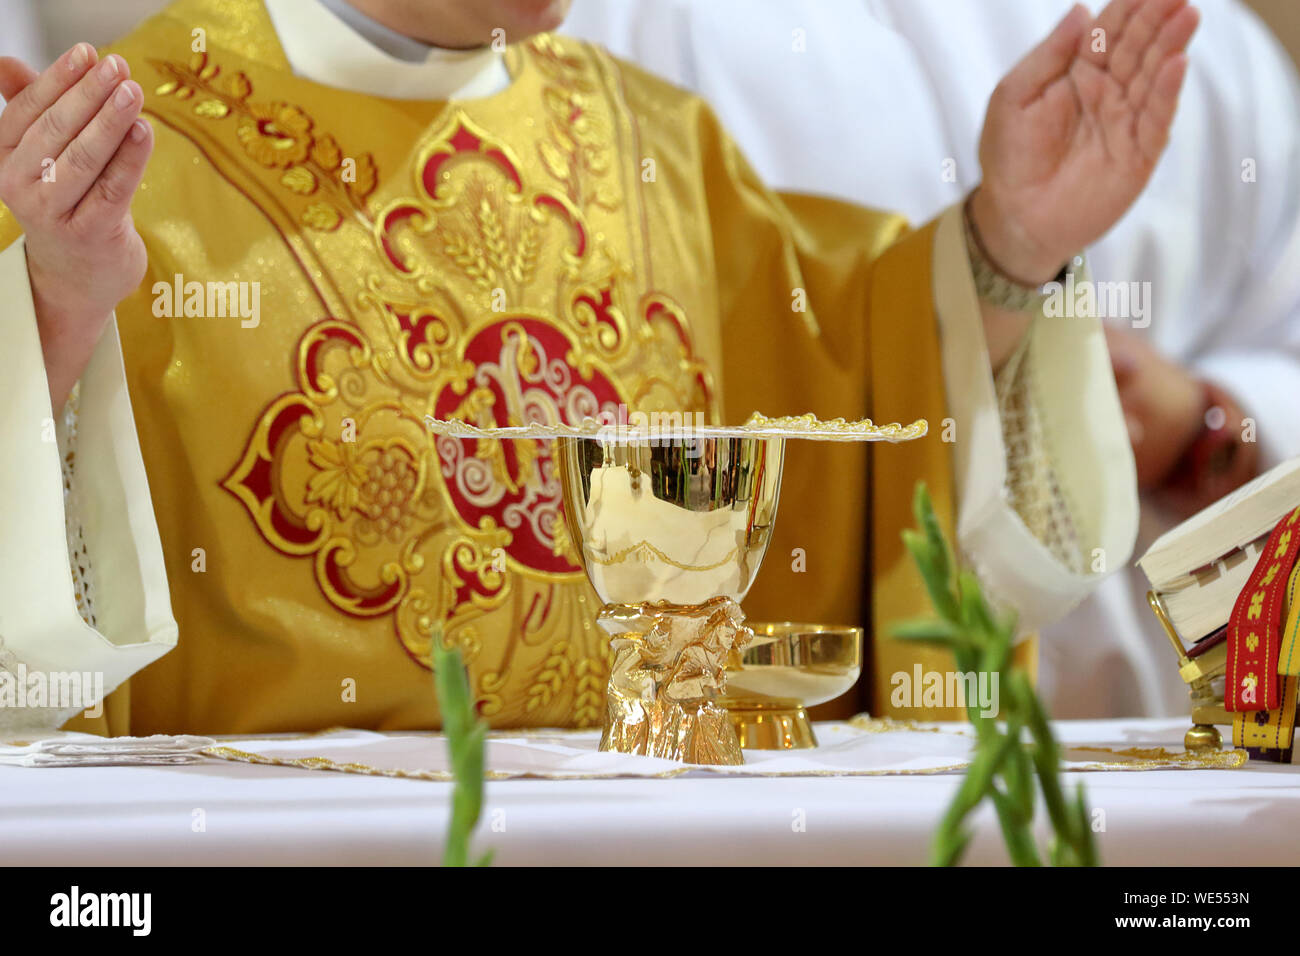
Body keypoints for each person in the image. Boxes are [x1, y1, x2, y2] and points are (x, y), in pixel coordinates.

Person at [0, 0, 1192, 734]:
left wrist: (1005, 249)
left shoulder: (662, 145)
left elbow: (860, 396)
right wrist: (53, 305)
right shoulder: (120, 149)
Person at [566, 0, 1300, 717]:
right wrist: (988, 291)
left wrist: (1211, 429)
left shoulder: (1197, 49)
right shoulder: (598, 39)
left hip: (1182, 775)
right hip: (775, 783)